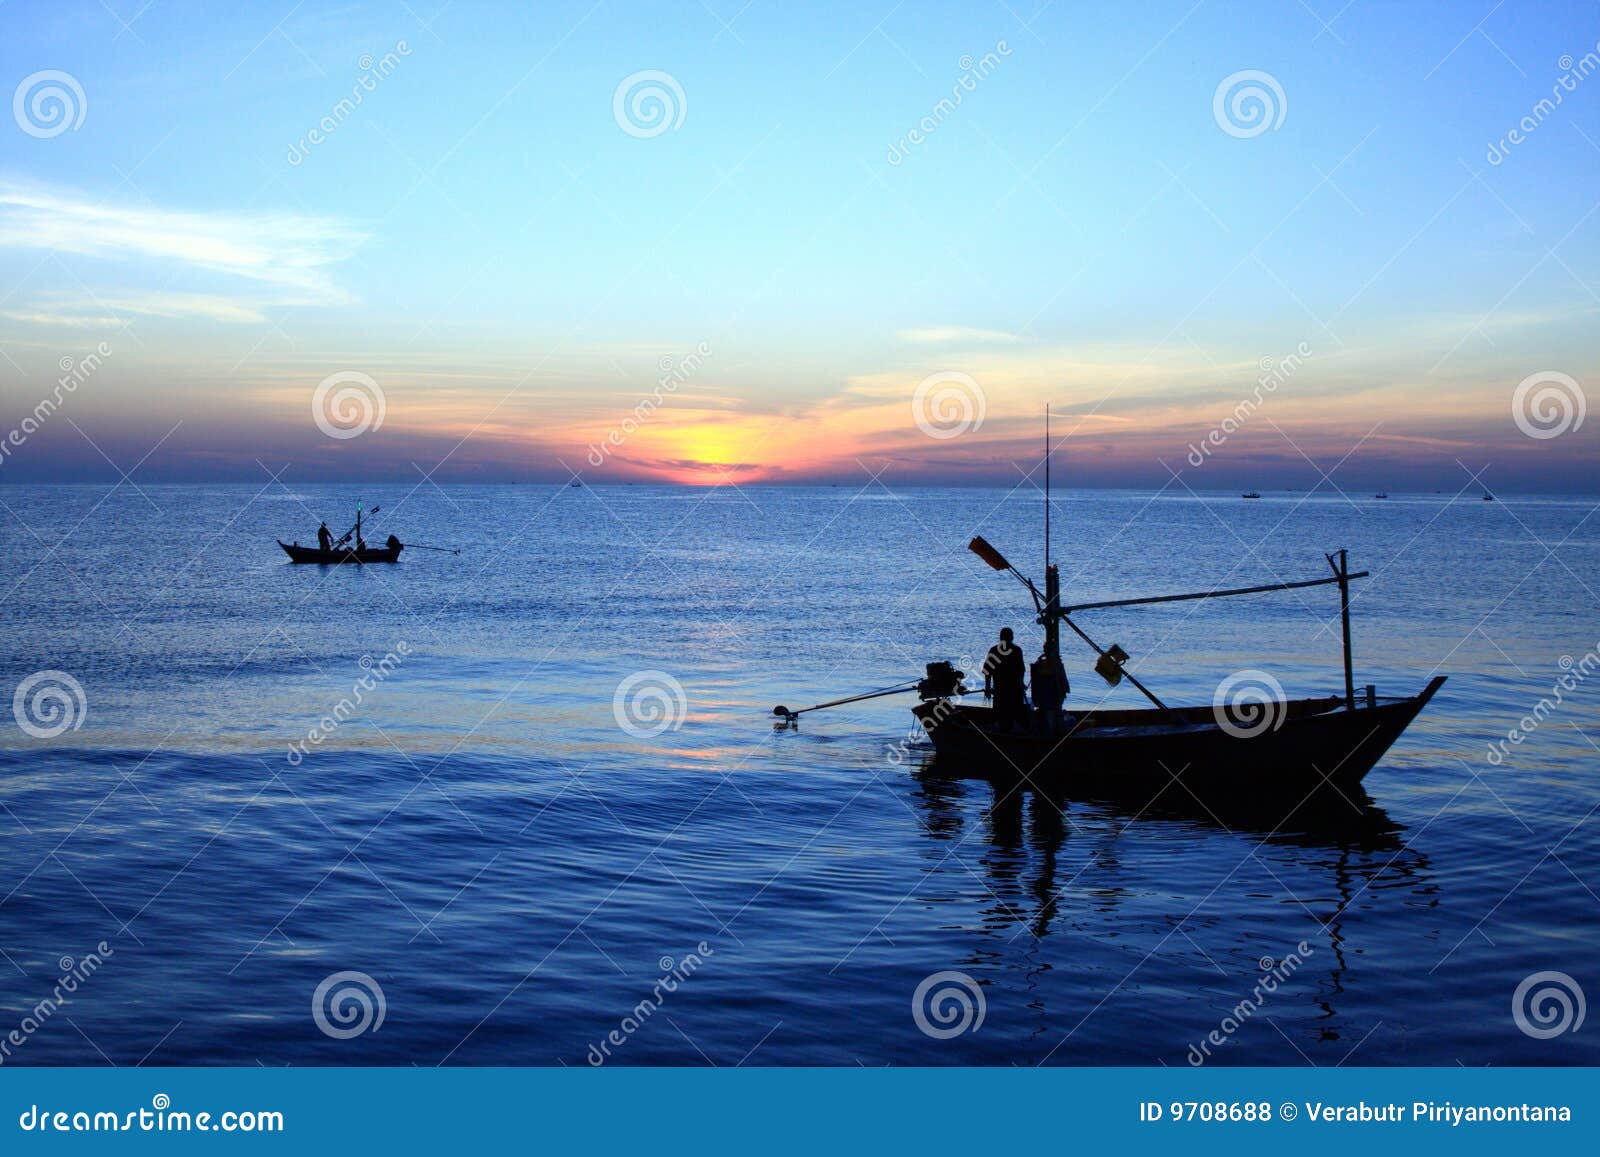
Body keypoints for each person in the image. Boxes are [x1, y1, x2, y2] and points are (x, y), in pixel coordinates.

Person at [983, 627, 1027, 732]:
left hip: (1001, 689)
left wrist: (987, 687)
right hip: (1012, 690)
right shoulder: (1016, 650)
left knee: (1001, 714)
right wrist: (1021, 683)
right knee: (1013, 714)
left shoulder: (994, 650)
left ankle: (1002, 729)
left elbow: (987, 671)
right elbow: (1021, 670)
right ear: (1012, 637)